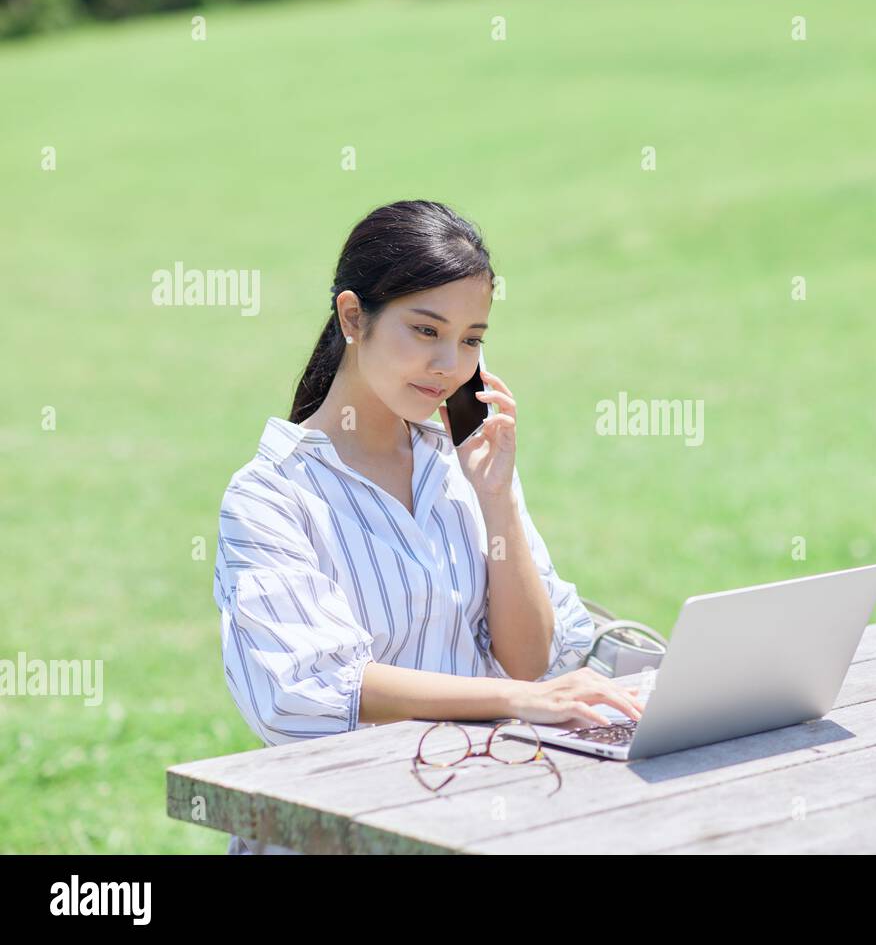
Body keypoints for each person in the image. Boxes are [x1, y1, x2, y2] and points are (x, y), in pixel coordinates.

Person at [214, 200, 642, 855]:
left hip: (481, 808)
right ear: (354, 317)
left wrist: (496, 498)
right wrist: (520, 702)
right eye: (425, 330)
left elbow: (532, 664)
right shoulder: (271, 495)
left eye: (471, 338)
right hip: (343, 829)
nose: (450, 365)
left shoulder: (467, 467)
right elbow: (305, 690)